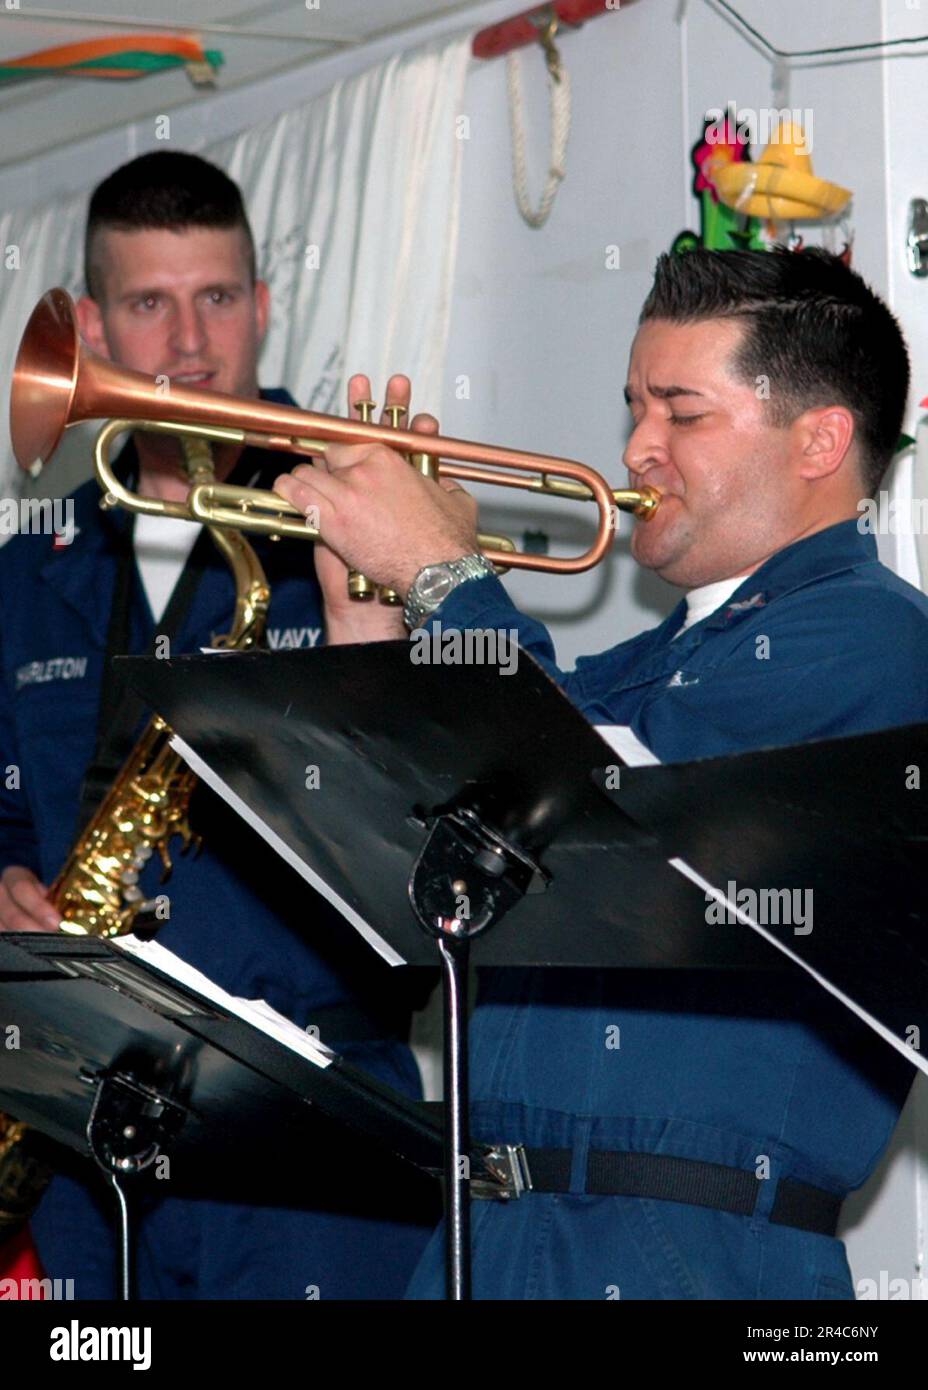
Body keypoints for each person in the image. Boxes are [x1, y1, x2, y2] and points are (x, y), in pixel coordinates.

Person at [273, 247, 928, 1299]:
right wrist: (367, 623)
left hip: (688, 1244)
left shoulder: (873, 639)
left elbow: (613, 815)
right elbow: (412, 892)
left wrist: (448, 575)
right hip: (491, 1234)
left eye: (683, 413)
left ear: (819, 441)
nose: (635, 447)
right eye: (634, 407)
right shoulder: (628, 669)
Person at [0, 150, 437, 1299]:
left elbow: (457, 796)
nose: (191, 344)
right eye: (149, 304)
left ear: (265, 306)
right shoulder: (25, 569)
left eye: (219, 298)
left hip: (314, 1121)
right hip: (84, 1125)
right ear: (90, 329)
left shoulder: (367, 510)